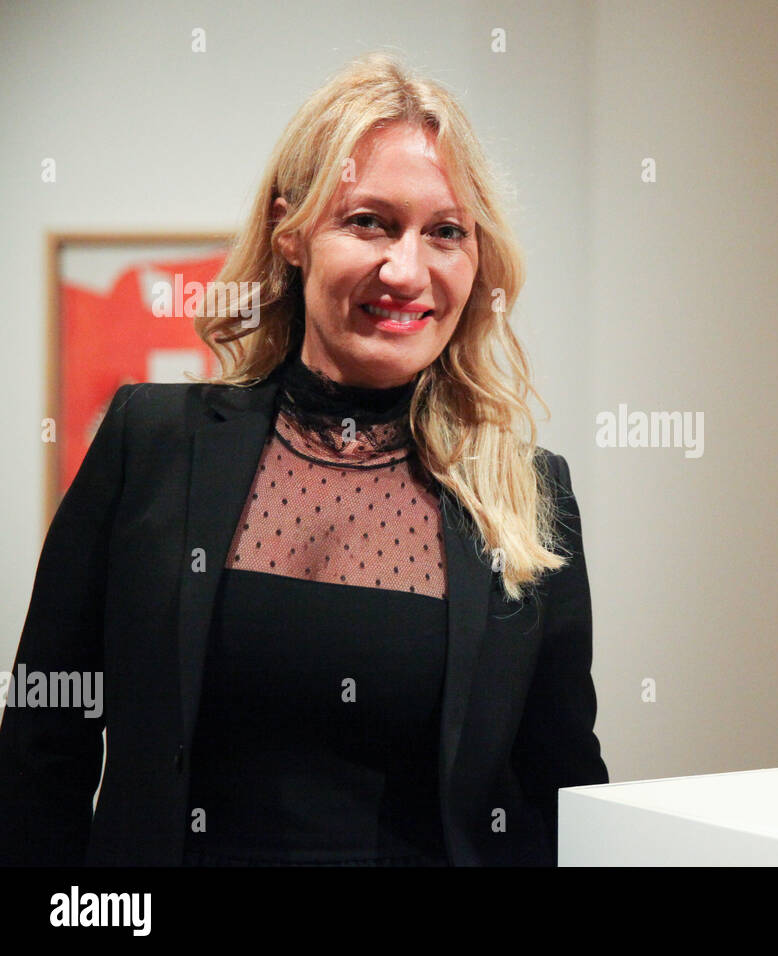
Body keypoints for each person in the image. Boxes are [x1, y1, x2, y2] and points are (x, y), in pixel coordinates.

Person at [0, 52, 607, 866]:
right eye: (369, 222)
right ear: (293, 233)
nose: (406, 269)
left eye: (445, 232)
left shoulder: (529, 495)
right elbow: (45, 743)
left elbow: (561, 788)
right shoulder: (150, 442)